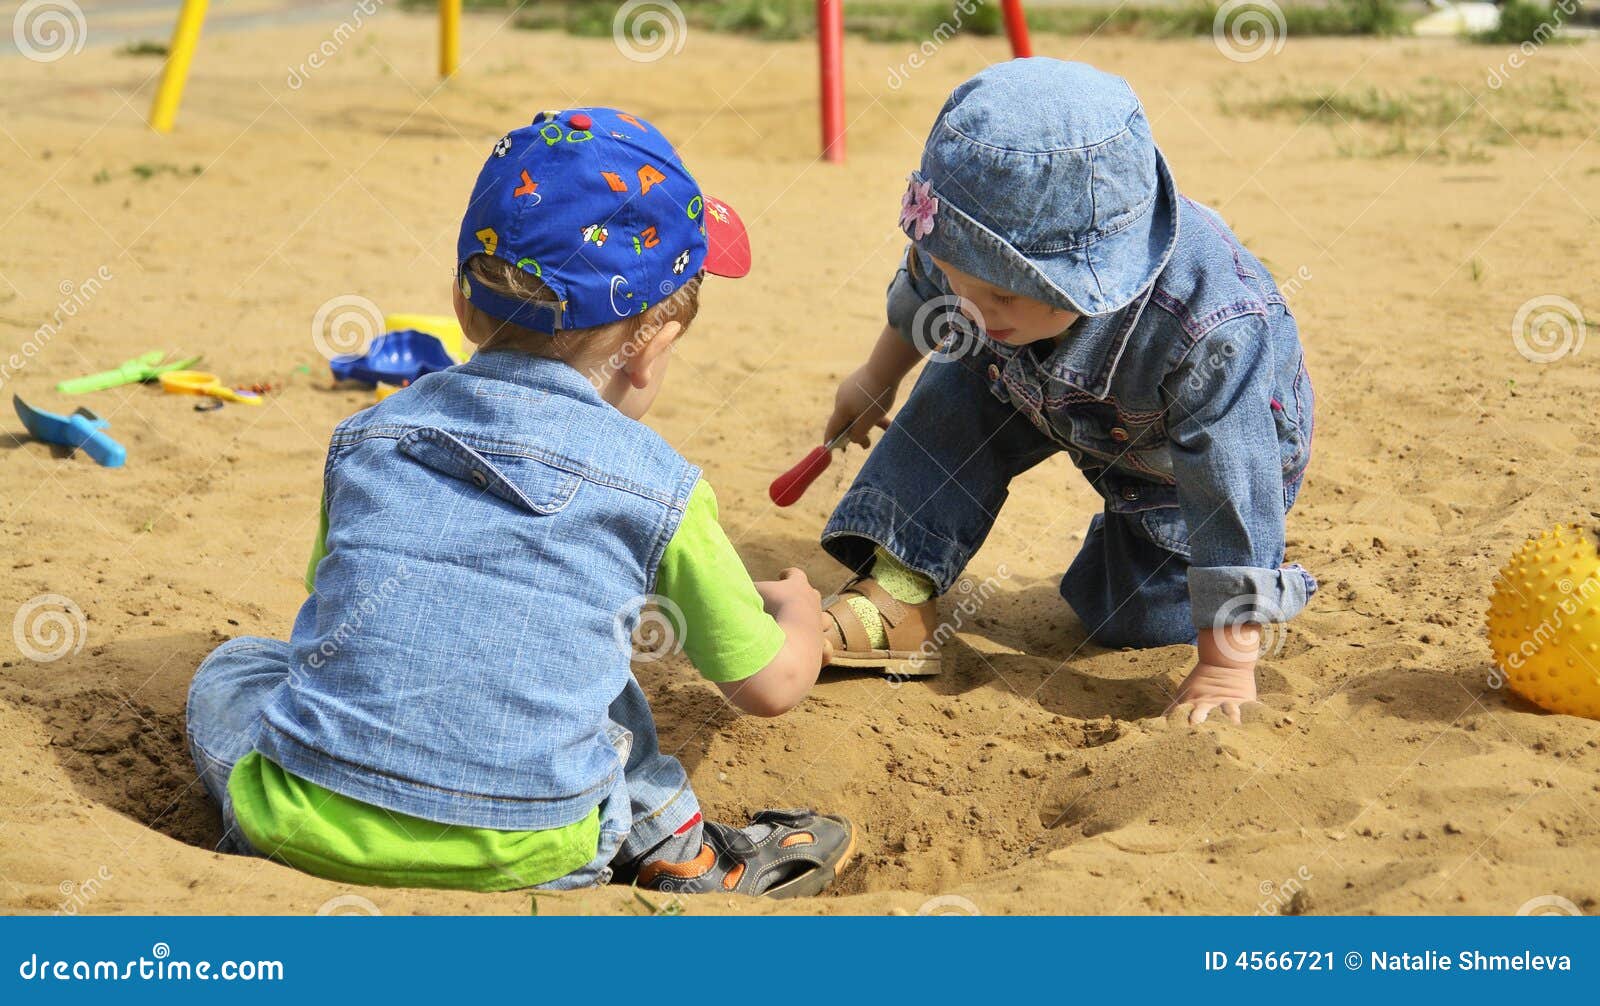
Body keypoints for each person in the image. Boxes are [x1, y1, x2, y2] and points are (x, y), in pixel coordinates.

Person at [186, 108, 854, 897]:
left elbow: (340, 606)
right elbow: (771, 687)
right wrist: (801, 612)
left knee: (236, 668)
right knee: (592, 681)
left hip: (298, 829)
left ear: (465, 308)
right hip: (538, 850)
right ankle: (682, 849)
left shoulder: (368, 436)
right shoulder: (662, 485)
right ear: (653, 348)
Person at [817, 60, 1315, 725]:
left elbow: (1235, 484)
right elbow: (928, 291)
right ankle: (900, 593)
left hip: (1172, 466)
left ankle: (1139, 548)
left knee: (1124, 613)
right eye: (959, 274)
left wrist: (1227, 661)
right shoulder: (973, 278)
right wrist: (875, 380)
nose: (977, 302)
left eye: (1006, 291)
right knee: (963, 368)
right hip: (1030, 386)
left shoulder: (1209, 328)